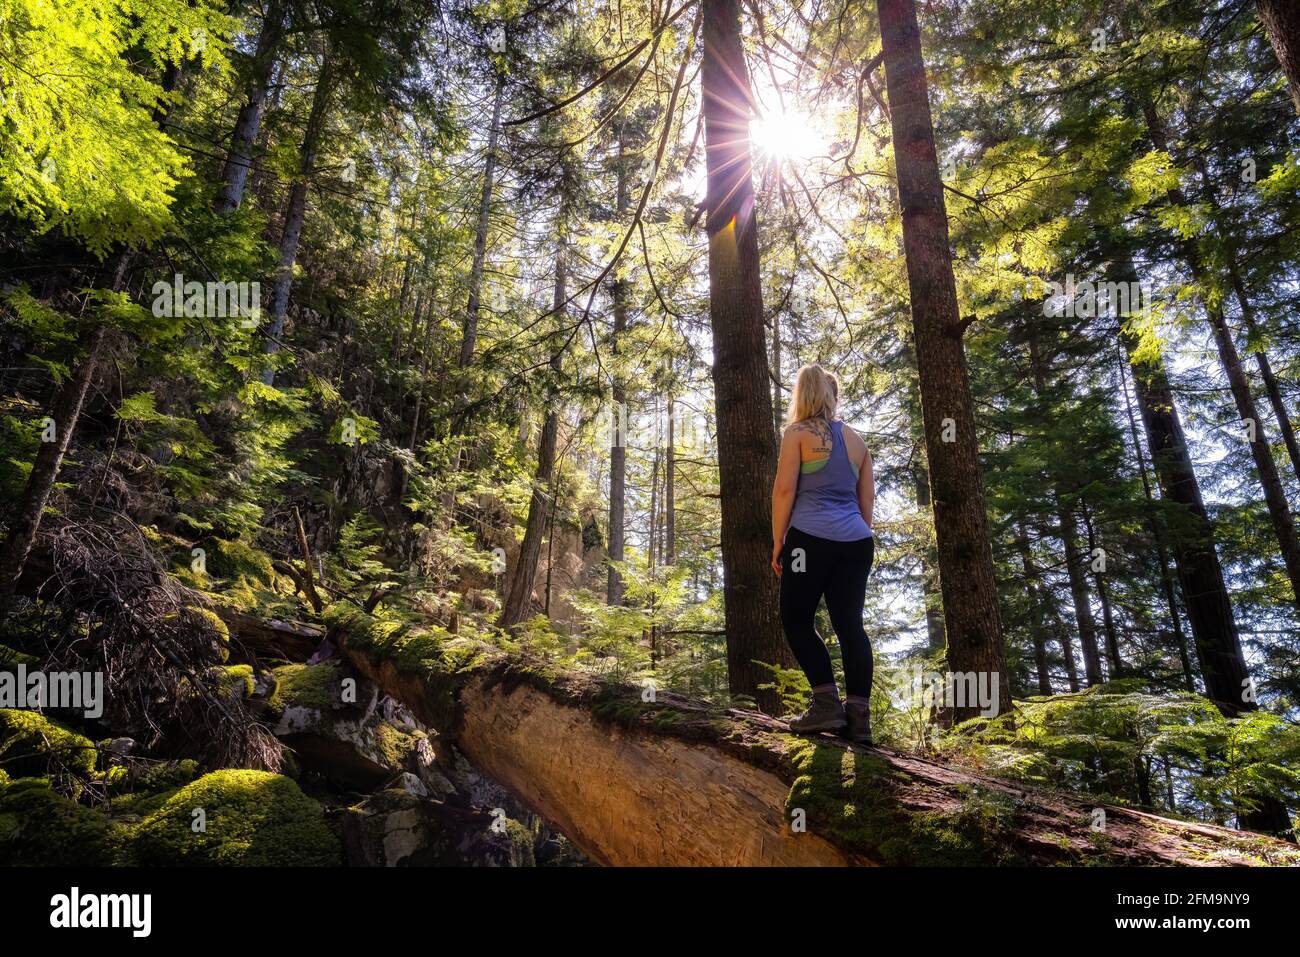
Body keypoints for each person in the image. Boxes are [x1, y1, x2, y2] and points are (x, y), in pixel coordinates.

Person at [770, 363, 876, 744]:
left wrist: (779, 539)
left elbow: (784, 491)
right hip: (857, 542)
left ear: (802, 394)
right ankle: (859, 718)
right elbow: (867, 502)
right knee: (850, 625)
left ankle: (827, 704)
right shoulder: (858, 442)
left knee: (796, 618)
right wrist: (855, 540)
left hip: (809, 539)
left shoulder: (797, 433)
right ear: (832, 396)